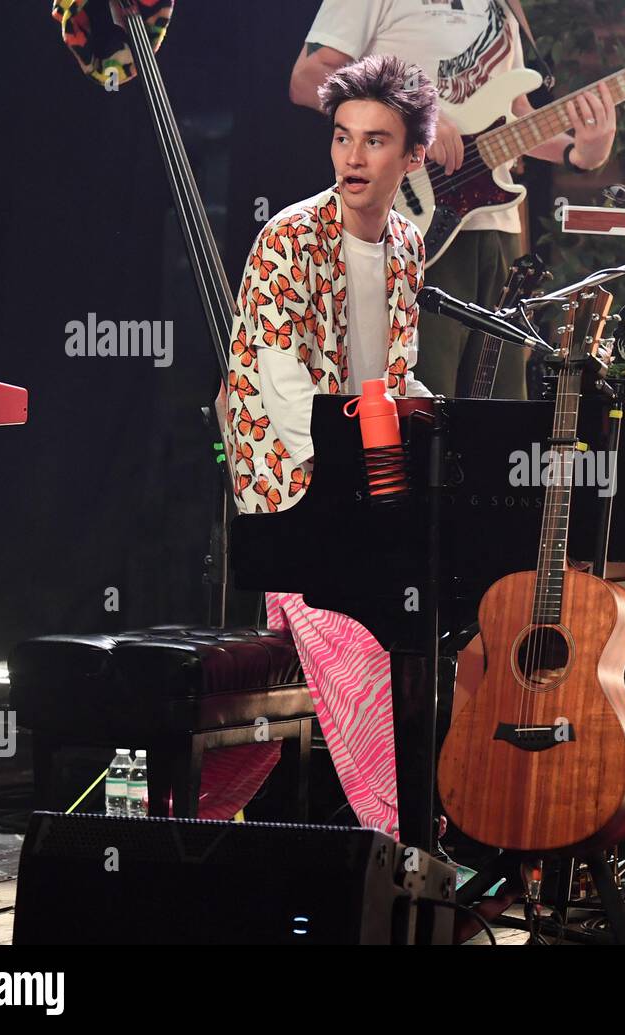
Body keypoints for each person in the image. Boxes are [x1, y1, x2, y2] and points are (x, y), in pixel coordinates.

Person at [220, 53, 440, 835]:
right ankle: (411, 839)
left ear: (413, 156)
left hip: (366, 488)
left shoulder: (408, 247)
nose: (353, 156)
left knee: (437, 626)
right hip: (296, 493)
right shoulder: (289, 239)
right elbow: (283, 395)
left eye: (376, 141)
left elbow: (399, 375)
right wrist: (363, 486)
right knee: (366, 652)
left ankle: (436, 824)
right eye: (344, 137)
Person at [289, 0, 617, 399]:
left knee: (500, 414)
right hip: (408, 224)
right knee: (419, 407)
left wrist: (579, 153)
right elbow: (308, 77)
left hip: (497, 227)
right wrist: (411, 113)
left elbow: (514, 115)